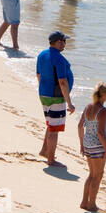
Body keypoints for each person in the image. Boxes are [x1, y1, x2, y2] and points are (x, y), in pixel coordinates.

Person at [36, 32, 75, 167]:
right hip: (56, 96)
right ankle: (51, 160)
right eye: (64, 41)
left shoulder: (42, 55)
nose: (65, 44)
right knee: (55, 128)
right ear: (58, 42)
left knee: (50, 124)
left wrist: (44, 90)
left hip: (44, 94)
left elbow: (39, 75)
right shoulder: (58, 58)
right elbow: (63, 81)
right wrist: (69, 102)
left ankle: (44, 151)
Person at [78, 82, 106, 212]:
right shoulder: (103, 111)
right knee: (98, 175)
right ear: (104, 95)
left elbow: (80, 126)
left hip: (87, 143)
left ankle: (84, 202)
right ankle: (91, 205)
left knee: (91, 174)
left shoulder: (88, 107)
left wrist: (82, 144)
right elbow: (100, 132)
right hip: (98, 145)